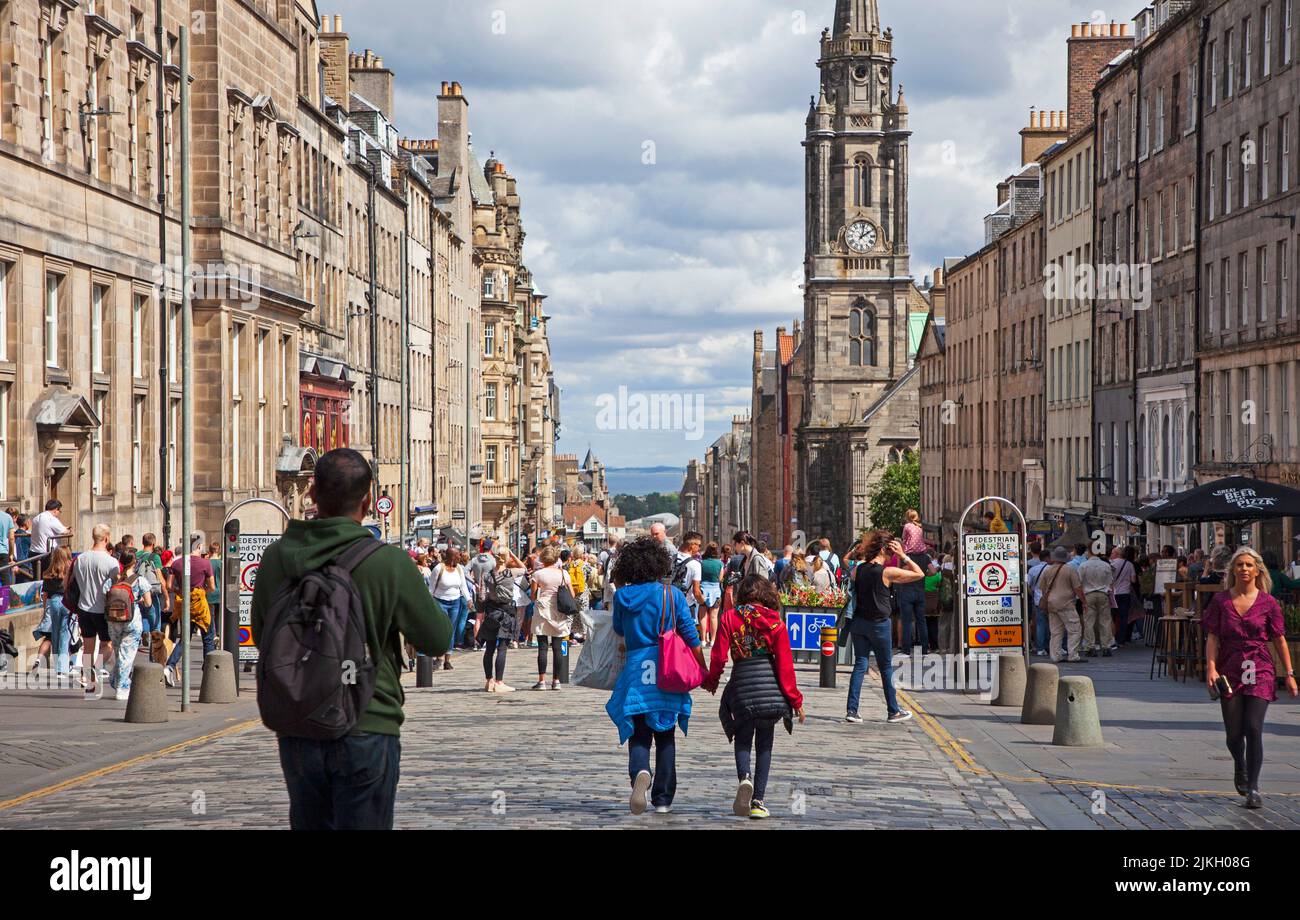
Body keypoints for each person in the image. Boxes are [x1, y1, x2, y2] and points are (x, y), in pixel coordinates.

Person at [251, 448, 451, 830]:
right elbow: (436, 639)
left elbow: (264, 637)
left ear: (312, 494)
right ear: (369, 499)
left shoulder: (276, 558)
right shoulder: (388, 562)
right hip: (368, 719)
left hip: (299, 721)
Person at [605, 537, 705, 815]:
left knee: (638, 734)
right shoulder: (671, 594)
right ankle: (663, 798)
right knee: (666, 735)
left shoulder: (623, 596)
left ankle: (639, 771)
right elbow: (689, 632)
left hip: (637, 669)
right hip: (668, 668)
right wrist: (703, 666)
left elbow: (619, 630)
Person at [702, 574, 804, 820]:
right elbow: (785, 666)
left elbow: (718, 657)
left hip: (741, 685)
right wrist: (796, 701)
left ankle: (744, 778)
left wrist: (712, 681)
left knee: (743, 736)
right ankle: (758, 801)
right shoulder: (775, 623)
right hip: (769, 685)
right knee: (765, 743)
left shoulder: (728, 618)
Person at [1204, 547, 1297, 810]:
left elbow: (1279, 639)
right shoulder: (1221, 601)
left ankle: (1253, 788)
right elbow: (1212, 637)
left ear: (1258, 570)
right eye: (1239, 565)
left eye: (1248, 565)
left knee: (1253, 728)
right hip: (1229, 669)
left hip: (1260, 669)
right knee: (1234, 734)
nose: (1244, 569)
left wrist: (1289, 674)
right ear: (1233, 570)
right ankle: (1239, 766)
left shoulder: (1268, 603)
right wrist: (1211, 668)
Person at [845, 532, 922, 724]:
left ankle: (852, 711)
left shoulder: (858, 569)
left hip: (859, 623)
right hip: (879, 624)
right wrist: (904, 556)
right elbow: (919, 573)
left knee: (860, 664)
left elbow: (847, 564)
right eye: (888, 551)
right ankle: (893, 711)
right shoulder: (886, 572)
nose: (890, 555)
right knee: (885, 667)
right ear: (881, 550)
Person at [71, 525, 122, 695]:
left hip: (83, 607)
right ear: (106, 538)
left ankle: (87, 678)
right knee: (108, 644)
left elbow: (73, 582)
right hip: (102, 609)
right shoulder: (111, 561)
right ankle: (95, 669)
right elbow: (117, 587)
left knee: (88, 646)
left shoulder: (80, 559)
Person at [164, 534, 217, 688]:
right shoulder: (205, 563)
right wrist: (201, 592)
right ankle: (208, 673)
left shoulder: (177, 563)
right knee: (208, 637)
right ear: (199, 547)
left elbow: (168, 586)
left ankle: (169, 667)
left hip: (184, 603)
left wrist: (180, 591)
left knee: (185, 639)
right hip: (200, 604)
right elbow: (212, 587)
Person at [481, 549, 526, 693]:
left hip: (492, 612)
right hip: (506, 612)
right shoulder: (510, 573)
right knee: (502, 648)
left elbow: (482, 595)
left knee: (489, 648)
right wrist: (513, 555)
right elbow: (524, 569)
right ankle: (499, 682)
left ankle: (489, 681)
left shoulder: (487, 575)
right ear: (506, 558)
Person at [108, 550, 150, 701]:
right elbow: (149, 602)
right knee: (127, 655)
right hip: (132, 620)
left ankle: (115, 678)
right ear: (135, 562)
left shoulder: (114, 579)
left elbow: (105, 593)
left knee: (119, 652)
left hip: (113, 620)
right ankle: (122, 688)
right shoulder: (140, 580)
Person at [530, 545, 573, 690]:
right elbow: (571, 594)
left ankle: (541, 681)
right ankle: (556, 680)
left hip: (543, 609)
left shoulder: (538, 575)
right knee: (557, 647)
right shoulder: (563, 573)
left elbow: (533, 595)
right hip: (559, 610)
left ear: (543, 558)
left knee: (542, 647)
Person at [31, 547, 75, 678]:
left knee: (55, 633)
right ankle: (62, 668)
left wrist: (45, 609)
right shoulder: (71, 571)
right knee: (64, 634)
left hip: (54, 602)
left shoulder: (48, 573)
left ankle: (58, 666)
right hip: (67, 602)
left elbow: (45, 595)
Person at [1040, 546, 1086, 663]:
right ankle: (1073, 655)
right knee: (1074, 629)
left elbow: (1043, 589)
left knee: (1055, 631)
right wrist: (1084, 602)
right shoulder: (1070, 569)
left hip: (1051, 604)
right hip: (1066, 604)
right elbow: (1078, 588)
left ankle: (1055, 656)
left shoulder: (1047, 570)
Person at [429, 548, 473, 669]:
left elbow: (463, 586)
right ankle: (438, 657)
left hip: (455, 602)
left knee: (451, 630)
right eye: (458, 555)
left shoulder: (459, 569)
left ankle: (447, 660)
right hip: (440, 601)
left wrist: (468, 599)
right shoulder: (439, 569)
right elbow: (431, 588)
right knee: (441, 630)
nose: (460, 557)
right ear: (451, 556)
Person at [1079, 547, 1117, 657]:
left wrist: (1081, 598)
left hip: (1089, 594)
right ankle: (1106, 646)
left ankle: (1091, 647)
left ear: (1090, 551)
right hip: (1103, 594)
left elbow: (1079, 582)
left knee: (1089, 621)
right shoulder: (1105, 565)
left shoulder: (1084, 565)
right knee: (1105, 621)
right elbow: (1110, 582)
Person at [896, 544, 931, 654]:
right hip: (920, 591)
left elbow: (900, 570)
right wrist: (924, 573)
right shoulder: (926, 557)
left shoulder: (904, 556)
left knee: (906, 621)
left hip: (906, 591)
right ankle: (925, 648)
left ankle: (906, 649)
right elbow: (933, 571)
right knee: (921, 621)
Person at [29, 499, 72, 576]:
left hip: (34, 552)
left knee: (37, 576)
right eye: (59, 511)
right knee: (48, 576)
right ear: (56, 510)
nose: (59, 514)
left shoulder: (36, 518)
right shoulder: (51, 518)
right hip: (47, 553)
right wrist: (69, 529)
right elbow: (64, 531)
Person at [1111, 546, 1140, 646]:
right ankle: (1121, 639)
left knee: (1113, 617)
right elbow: (1133, 580)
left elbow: (1109, 579)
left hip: (1114, 593)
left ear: (1117, 554)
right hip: (1125, 593)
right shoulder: (1129, 564)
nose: (1111, 555)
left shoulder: (1112, 564)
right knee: (1124, 617)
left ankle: (1113, 638)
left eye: (1112, 553)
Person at [1026, 549, 1051, 656]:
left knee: (1040, 624)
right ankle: (1051, 646)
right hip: (1051, 599)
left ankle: (1040, 648)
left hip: (1038, 600)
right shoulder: (1052, 569)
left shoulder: (1032, 570)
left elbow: (1027, 585)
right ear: (1047, 558)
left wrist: (1033, 595)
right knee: (1053, 624)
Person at [0, 503, 15, 587]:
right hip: (3, 552)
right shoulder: (7, 517)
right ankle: (6, 599)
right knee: (5, 578)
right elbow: (11, 538)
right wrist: (11, 553)